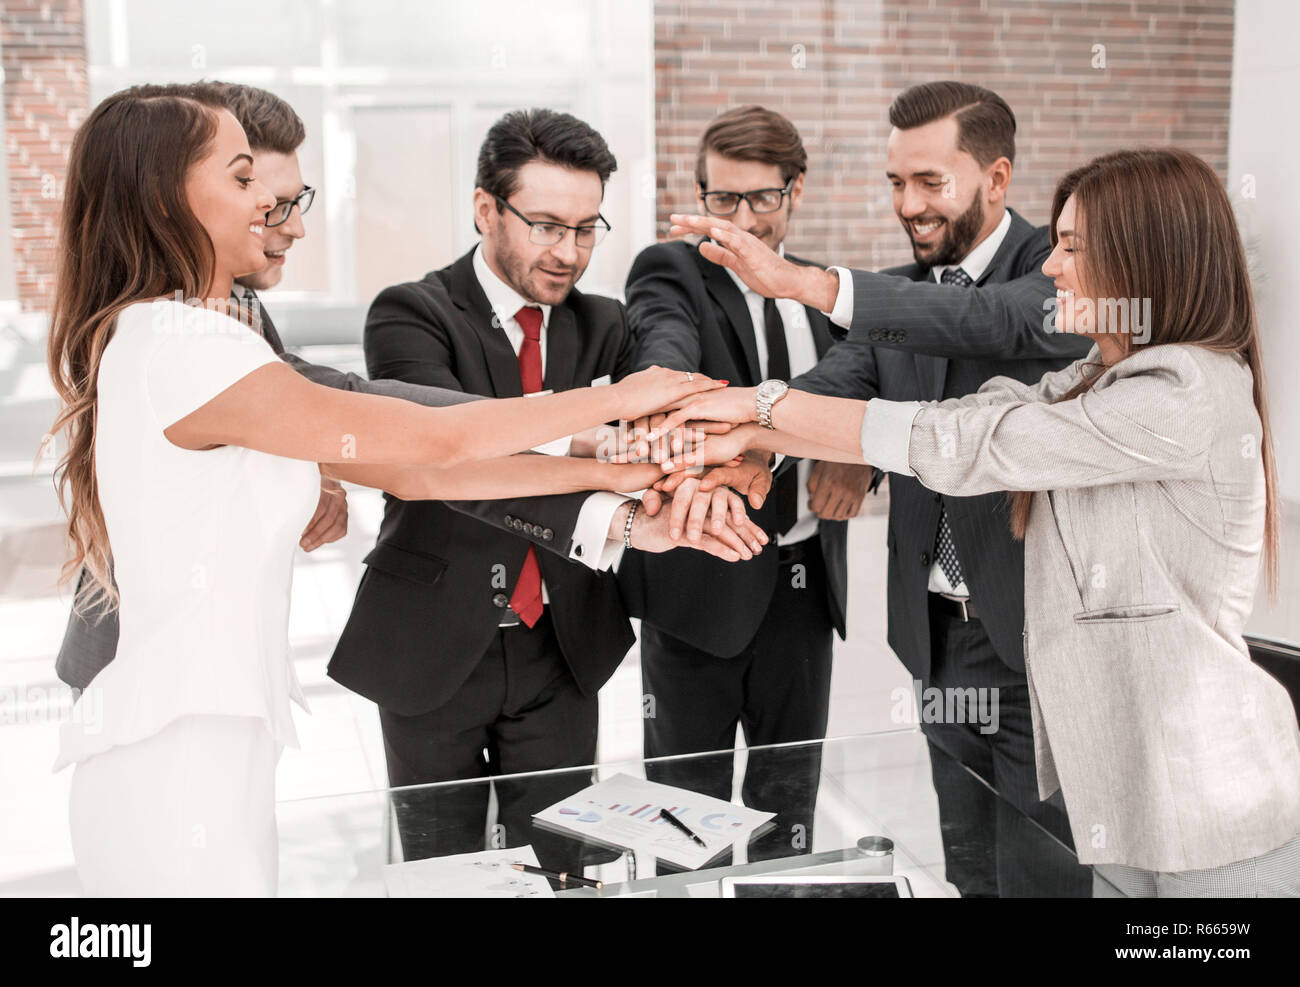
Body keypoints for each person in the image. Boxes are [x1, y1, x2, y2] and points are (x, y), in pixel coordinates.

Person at [46, 83, 732, 897]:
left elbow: (419, 472)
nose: (276, 209)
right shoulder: (184, 343)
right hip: (173, 750)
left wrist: (619, 481)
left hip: (219, 740)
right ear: (166, 200)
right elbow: (433, 437)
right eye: (243, 179)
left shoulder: (200, 335)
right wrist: (615, 402)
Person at [654, 146, 1300, 897]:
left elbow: (967, 443)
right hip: (1129, 801)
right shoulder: (1094, 378)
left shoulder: (1183, 390)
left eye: (1073, 247)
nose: (1052, 267)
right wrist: (762, 434)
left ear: (1146, 260)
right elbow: (975, 414)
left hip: (1212, 809)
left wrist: (758, 405)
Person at [669, 81, 1093, 895]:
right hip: (937, 640)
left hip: (1036, 643)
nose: (909, 205)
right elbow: (838, 378)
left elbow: (988, 323)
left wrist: (803, 282)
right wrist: (759, 445)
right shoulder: (905, 295)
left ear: (997, 178)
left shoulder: (1058, 273)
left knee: (1043, 876)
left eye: (931, 181)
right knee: (967, 866)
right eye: (897, 182)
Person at [328, 108, 765, 867]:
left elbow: (656, 431)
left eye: (587, 229)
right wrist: (601, 425)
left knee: (564, 867)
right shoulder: (411, 312)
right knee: (446, 872)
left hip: (563, 642)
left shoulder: (606, 324)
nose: (569, 253)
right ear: (485, 209)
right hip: (433, 638)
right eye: (547, 226)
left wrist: (727, 465)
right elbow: (447, 445)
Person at [621, 105, 872, 860]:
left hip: (804, 585)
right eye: (722, 198)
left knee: (788, 805)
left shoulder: (825, 291)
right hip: (698, 584)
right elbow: (662, 350)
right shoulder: (671, 270)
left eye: (761, 197)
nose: (742, 220)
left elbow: (864, 390)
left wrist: (855, 455)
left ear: (796, 189)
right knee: (684, 817)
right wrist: (673, 395)